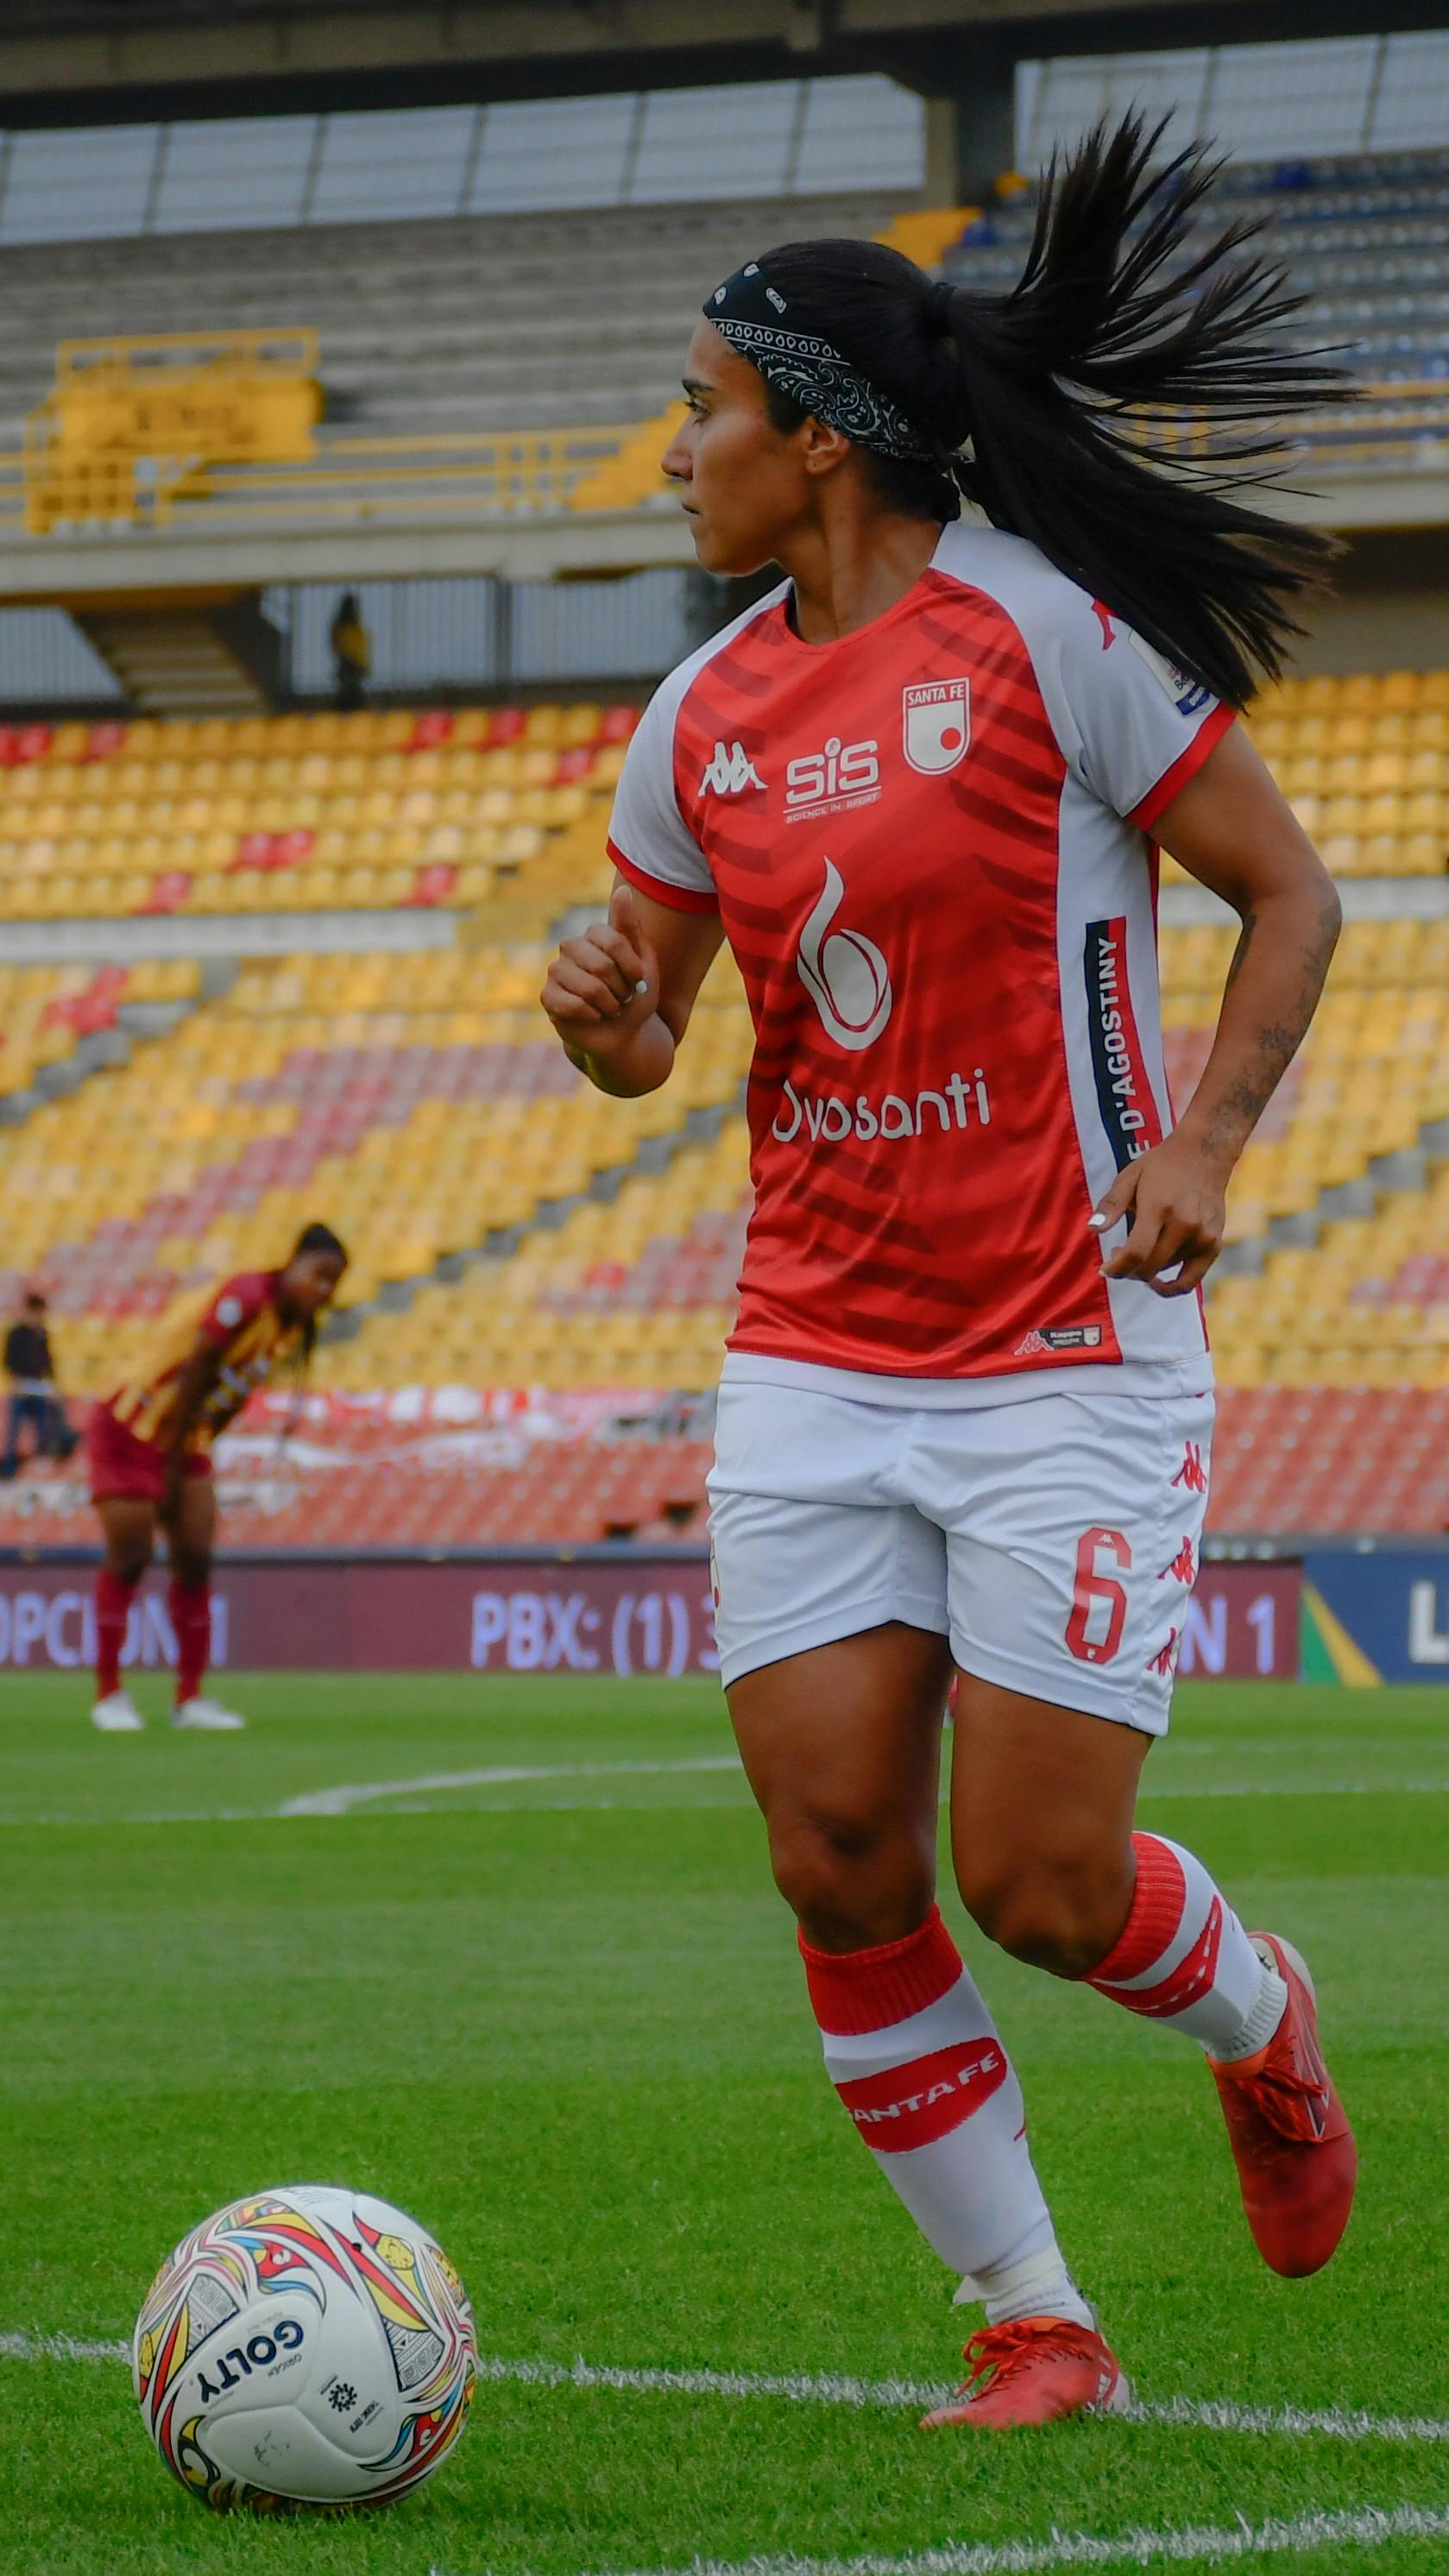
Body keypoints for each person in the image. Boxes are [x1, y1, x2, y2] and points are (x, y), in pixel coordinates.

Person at [540, 119, 1356, 2432]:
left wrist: (1199, 1144)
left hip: (1061, 1351)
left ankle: (1253, 2021)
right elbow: (653, 1036)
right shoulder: (691, 722)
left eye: (698, 403)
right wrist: (609, 1026)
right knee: (831, 1853)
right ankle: (1035, 2322)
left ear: (814, 438)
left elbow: (1284, 897)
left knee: (1039, 1884)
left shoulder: (1039, 632)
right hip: (811, 1351)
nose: (671, 448)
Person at [85, 1221, 347, 1734]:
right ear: (292, 1264)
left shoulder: (286, 1327)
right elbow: (201, 1364)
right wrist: (174, 1461)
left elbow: (231, 1392)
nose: (323, 1291)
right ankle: (109, 1694)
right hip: (133, 1423)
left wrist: (197, 1444)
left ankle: (189, 1697)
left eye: (332, 1284)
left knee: (197, 1560)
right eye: (318, 1275)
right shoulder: (248, 1295)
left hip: (183, 1439)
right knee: (131, 1556)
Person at [1, 1288, 71, 1479]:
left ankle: (42, 1467)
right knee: (13, 1432)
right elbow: (8, 1360)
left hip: (39, 1388)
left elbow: (48, 1361)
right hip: (21, 1388)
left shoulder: (41, 1334)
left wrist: (51, 1383)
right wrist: (16, 1380)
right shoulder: (15, 1333)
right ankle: (9, 1471)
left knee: (43, 1429)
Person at [330, 591, 371, 711]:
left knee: (352, 692)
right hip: (349, 664)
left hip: (354, 664)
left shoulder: (353, 626)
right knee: (349, 692)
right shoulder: (343, 627)